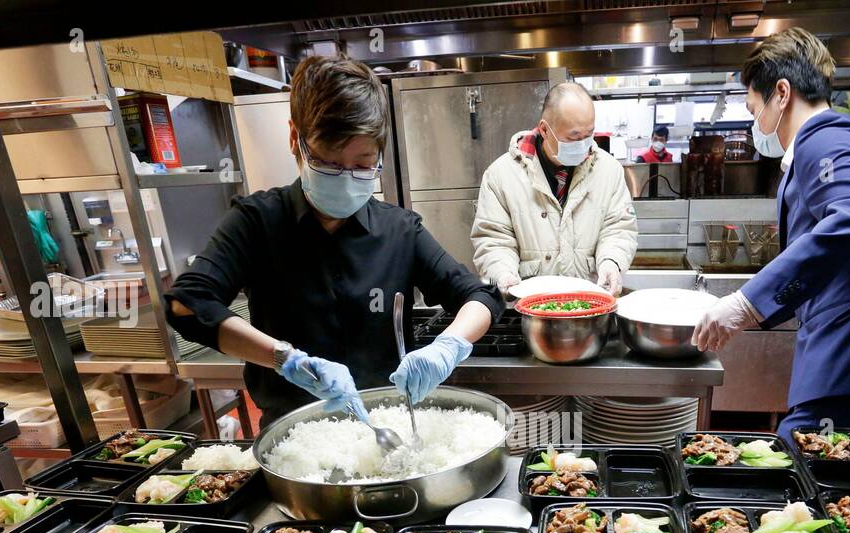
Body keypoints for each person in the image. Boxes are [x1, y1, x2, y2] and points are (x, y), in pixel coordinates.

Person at [165, 56, 501, 425]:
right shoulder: (256, 222)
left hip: (388, 427)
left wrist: (446, 348)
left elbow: (479, 298)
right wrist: (284, 358)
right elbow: (188, 304)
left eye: (362, 165)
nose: (345, 177)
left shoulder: (400, 230)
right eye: (328, 163)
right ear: (296, 139)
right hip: (293, 437)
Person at [692, 29, 850, 438]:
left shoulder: (823, 138)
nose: (756, 122)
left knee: (800, 454)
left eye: (754, 108)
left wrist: (745, 303)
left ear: (782, 93)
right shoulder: (847, 132)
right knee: (826, 467)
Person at [471, 82, 637, 297]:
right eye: (573, 137)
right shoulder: (501, 175)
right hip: (529, 309)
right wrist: (502, 273)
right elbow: (493, 239)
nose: (583, 145)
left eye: (589, 135)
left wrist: (611, 262)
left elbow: (618, 228)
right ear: (544, 129)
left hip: (589, 305)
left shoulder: (608, 170)